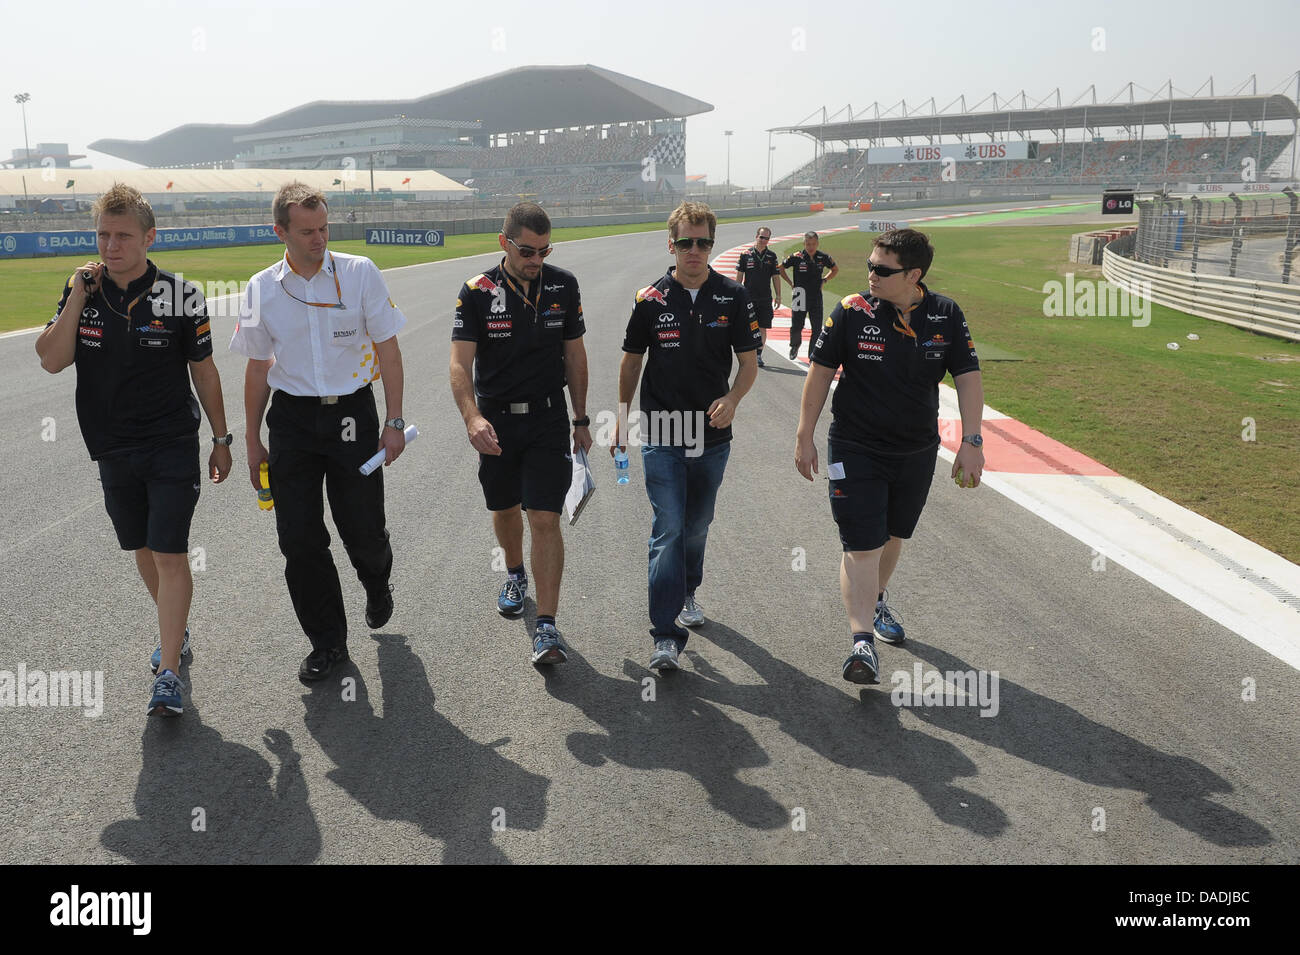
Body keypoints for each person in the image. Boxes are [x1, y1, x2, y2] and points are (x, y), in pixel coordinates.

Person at [34, 182, 232, 717]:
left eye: (122, 236)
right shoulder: (83, 291)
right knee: (142, 549)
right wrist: (77, 295)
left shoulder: (181, 295)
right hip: (111, 447)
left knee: (169, 551)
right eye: (102, 234)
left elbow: (205, 371)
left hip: (171, 441)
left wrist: (220, 439)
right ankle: (177, 629)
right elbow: (51, 359)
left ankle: (168, 673)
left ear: (149, 238)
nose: (110, 246)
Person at [230, 181, 407, 684]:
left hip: (353, 412)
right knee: (300, 539)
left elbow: (389, 350)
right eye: (306, 231)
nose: (318, 238)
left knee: (361, 525)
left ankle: (376, 579)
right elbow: (257, 367)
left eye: (324, 228)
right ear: (279, 231)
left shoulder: (360, 273)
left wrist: (394, 420)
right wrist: (251, 439)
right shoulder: (259, 288)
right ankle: (327, 641)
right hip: (291, 420)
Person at [794, 228, 985, 684]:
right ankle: (861, 643)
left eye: (882, 269)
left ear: (913, 275)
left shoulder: (945, 314)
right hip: (854, 447)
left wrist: (972, 441)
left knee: (893, 535)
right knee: (862, 545)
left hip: (916, 450)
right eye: (869, 266)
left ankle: (876, 598)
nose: (871, 275)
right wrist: (804, 434)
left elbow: (968, 377)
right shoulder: (851, 311)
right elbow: (819, 374)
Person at [615, 200, 760, 671]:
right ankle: (664, 634)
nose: (694, 250)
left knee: (696, 527)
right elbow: (632, 360)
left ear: (711, 245)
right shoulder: (650, 299)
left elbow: (749, 364)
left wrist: (733, 399)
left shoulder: (734, 297)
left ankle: (689, 589)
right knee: (669, 527)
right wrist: (620, 414)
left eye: (702, 242)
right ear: (671, 244)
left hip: (713, 436)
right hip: (661, 431)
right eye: (685, 242)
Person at [449, 201, 590, 667]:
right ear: (503, 242)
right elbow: (458, 364)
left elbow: (575, 355)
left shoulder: (564, 285)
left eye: (544, 251)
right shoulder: (475, 292)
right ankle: (514, 573)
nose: (536, 260)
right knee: (506, 508)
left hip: (549, 419)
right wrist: (472, 418)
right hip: (497, 421)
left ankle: (547, 627)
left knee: (545, 518)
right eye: (527, 251)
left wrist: (582, 419)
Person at [780, 231, 838, 361]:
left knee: (817, 327)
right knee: (797, 325)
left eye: (813, 244)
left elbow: (835, 269)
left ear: (817, 244)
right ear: (804, 243)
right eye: (807, 244)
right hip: (799, 295)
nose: (810, 247)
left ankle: (812, 355)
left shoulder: (824, 257)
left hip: (816, 296)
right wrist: (790, 283)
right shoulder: (796, 256)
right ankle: (795, 345)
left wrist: (825, 280)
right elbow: (780, 268)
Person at [733, 226, 781, 367]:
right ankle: (748, 352)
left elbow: (776, 277)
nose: (764, 240)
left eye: (766, 238)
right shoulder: (745, 254)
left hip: (765, 298)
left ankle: (758, 355)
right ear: (756, 236)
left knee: (763, 327)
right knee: (748, 326)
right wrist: (737, 295)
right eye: (761, 237)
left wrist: (778, 295)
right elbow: (739, 277)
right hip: (748, 297)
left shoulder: (772, 256)